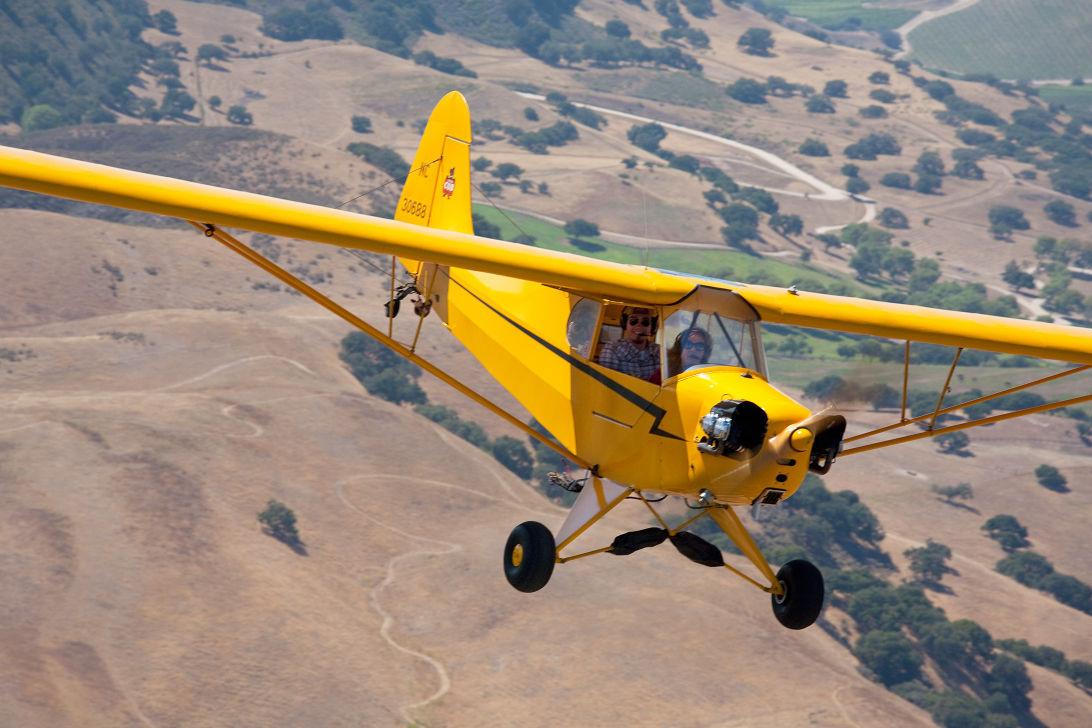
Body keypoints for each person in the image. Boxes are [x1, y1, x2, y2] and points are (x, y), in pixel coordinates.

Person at [597, 306, 661, 382]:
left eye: (645, 322)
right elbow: (606, 385)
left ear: (652, 328)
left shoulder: (659, 352)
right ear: (625, 324)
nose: (639, 325)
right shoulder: (611, 350)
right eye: (633, 321)